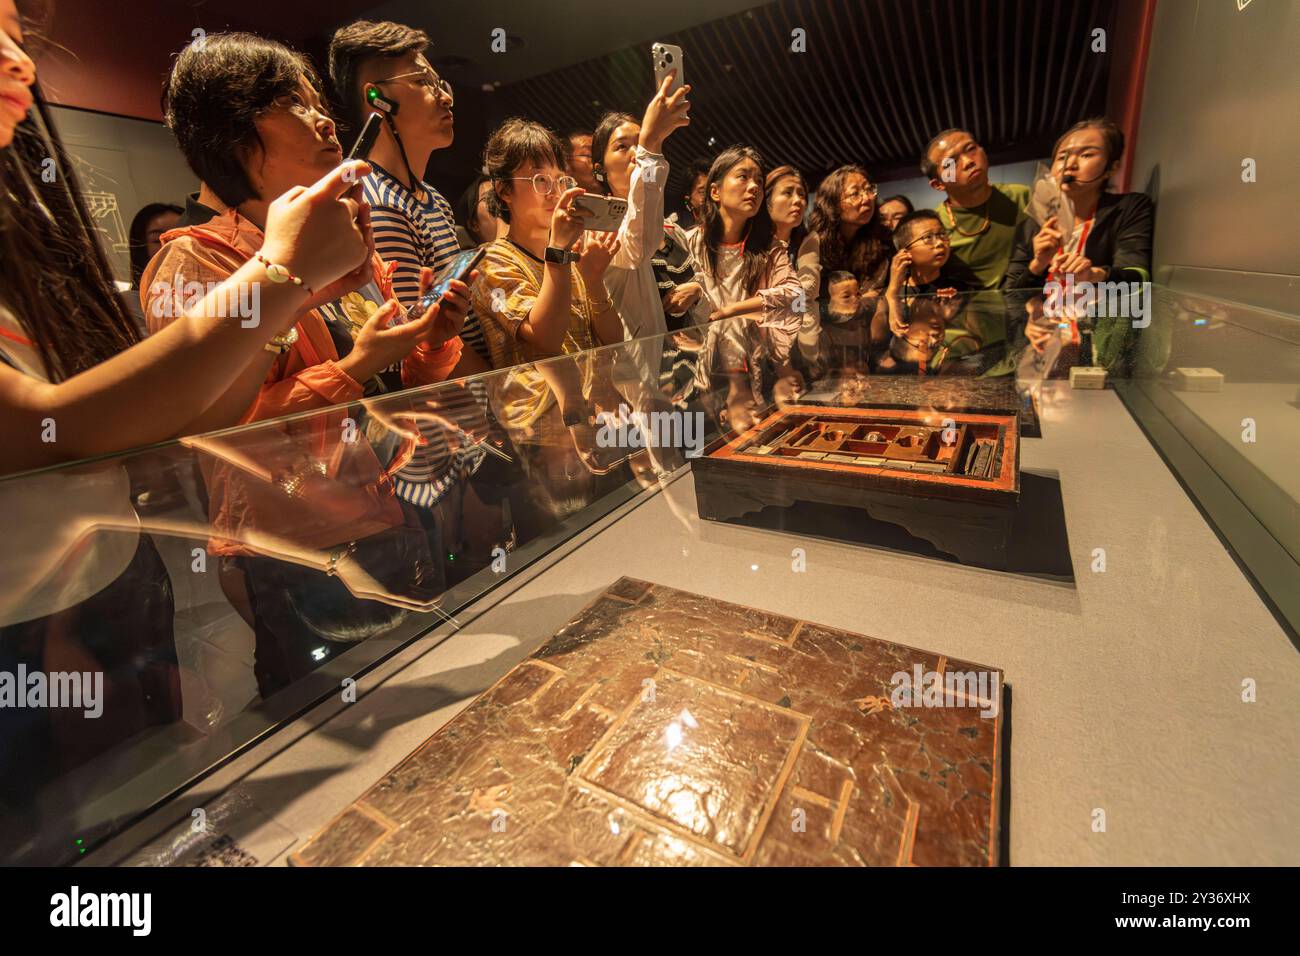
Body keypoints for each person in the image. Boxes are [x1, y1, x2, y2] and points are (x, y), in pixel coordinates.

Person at [0, 0, 375, 811]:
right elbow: (49, 427)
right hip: (34, 626)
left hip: (115, 587)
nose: (19, 63)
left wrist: (294, 288)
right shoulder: (191, 258)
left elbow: (168, 419)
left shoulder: (27, 243)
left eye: (17, 34)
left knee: (144, 816)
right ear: (238, 139)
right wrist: (283, 281)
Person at [150, 32, 472, 696]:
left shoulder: (339, 238)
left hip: (385, 515)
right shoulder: (193, 264)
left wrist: (433, 339)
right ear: (235, 134)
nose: (326, 118)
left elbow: (405, 381)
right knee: (341, 730)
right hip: (294, 549)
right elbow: (229, 434)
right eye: (293, 105)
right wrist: (353, 366)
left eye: (315, 101)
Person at [329, 19, 489, 374]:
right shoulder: (376, 202)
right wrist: (499, 400)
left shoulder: (433, 198)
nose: (445, 96)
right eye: (422, 82)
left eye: (439, 83)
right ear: (377, 98)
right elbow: (417, 338)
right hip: (450, 400)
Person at [680, 146, 805, 419]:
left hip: (753, 368)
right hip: (697, 373)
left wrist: (730, 311)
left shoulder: (768, 248)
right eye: (743, 177)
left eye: (759, 180)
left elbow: (797, 297)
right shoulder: (690, 242)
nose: (754, 187)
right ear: (715, 191)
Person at [588, 71, 690, 340]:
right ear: (600, 170)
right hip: (620, 366)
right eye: (622, 146)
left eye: (638, 143)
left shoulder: (666, 225)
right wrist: (650, 147)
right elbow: (636, 247)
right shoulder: (594, 222)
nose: (635, 154)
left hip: (662, 359)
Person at [922, 128, 1029, 290]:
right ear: (938, 184)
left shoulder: (1021, 197)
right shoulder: (935, 224)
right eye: (951, 163)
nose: (968, 162)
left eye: (971, 149)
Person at [808, 164, 892, 308]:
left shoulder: (882, 240)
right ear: (832, 203)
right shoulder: (814, 246)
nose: (867, 198)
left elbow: (875, 291)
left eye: (869, 189)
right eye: (855, 193)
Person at [765, 164, 820, 367]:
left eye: (802, 195)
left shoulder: (808, 239)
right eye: (787, 193)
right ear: (767, 200)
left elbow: (809, 290)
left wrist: (762, 297)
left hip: (797, 331)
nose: (798, 200)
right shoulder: (751, 241)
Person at [128, 202, 182, 291]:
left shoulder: (210, 293)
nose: (171, 246)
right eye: (157, 240)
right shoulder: (129, 302)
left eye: (180, 238)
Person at [457, 173, 505, 247]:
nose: (498, 202)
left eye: (499, 195)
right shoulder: (480, 257)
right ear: (474, 224)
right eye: (489, 198)